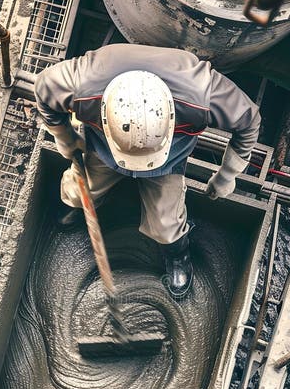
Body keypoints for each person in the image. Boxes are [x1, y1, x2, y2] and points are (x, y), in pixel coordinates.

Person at [34, 44, 261, 299]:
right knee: (78, 192)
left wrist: (227, 174)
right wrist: (65, 137)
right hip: (104, 148)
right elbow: (43, 90)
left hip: (166, 161)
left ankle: (178, 254)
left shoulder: (201, 96)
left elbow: (250, 122)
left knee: (165, 224)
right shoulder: (82, 86)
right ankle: (75, 207)